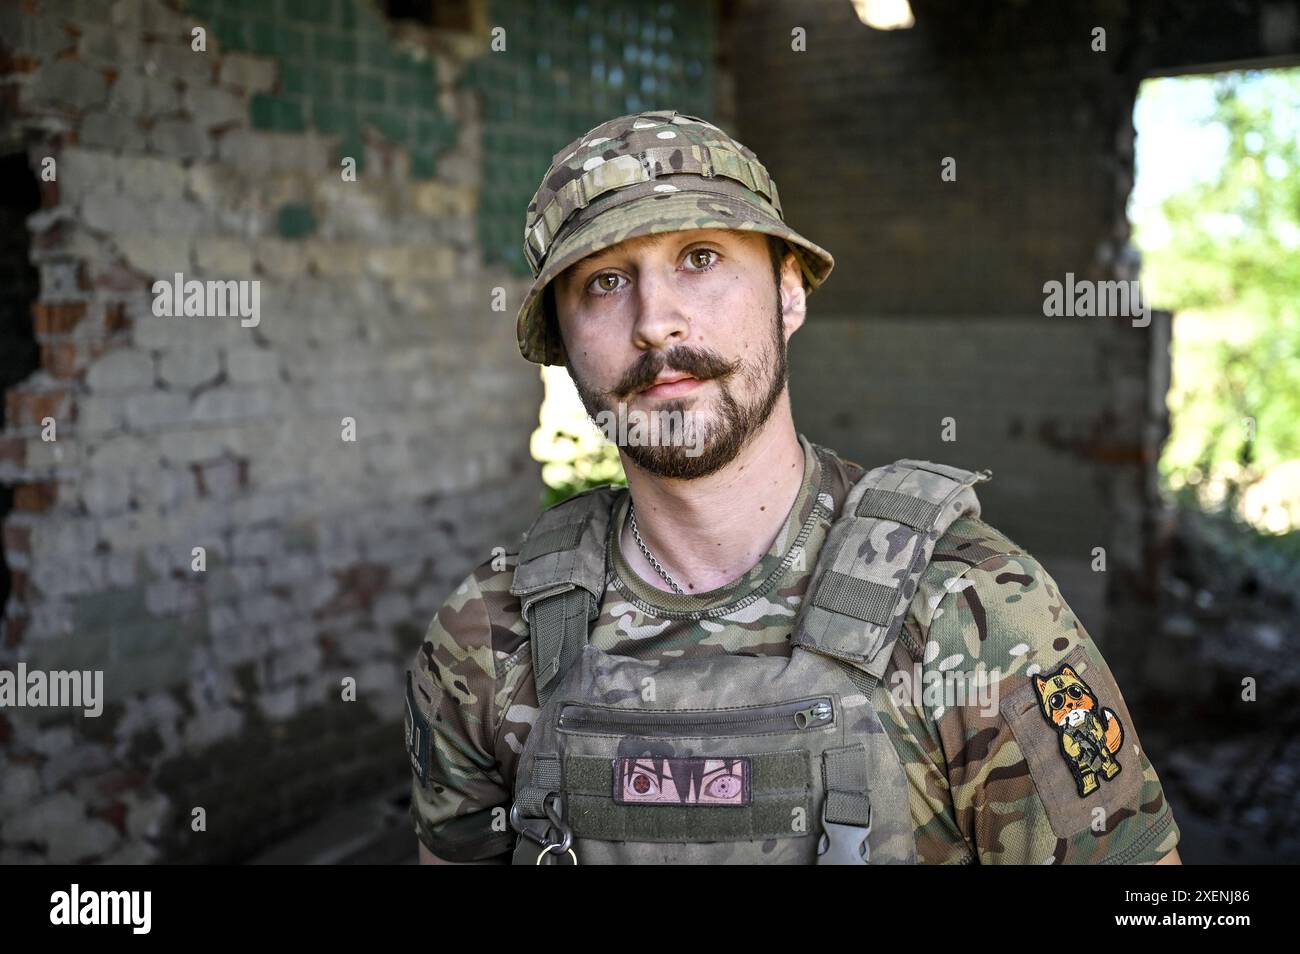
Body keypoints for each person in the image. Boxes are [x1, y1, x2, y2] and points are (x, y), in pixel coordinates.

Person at [404, 109, 1182, 865]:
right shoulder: (486, 642)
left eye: (700, 258)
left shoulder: (967, 610)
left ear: (789, 294)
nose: (656, 321)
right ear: (564, 343)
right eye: (605, 282)